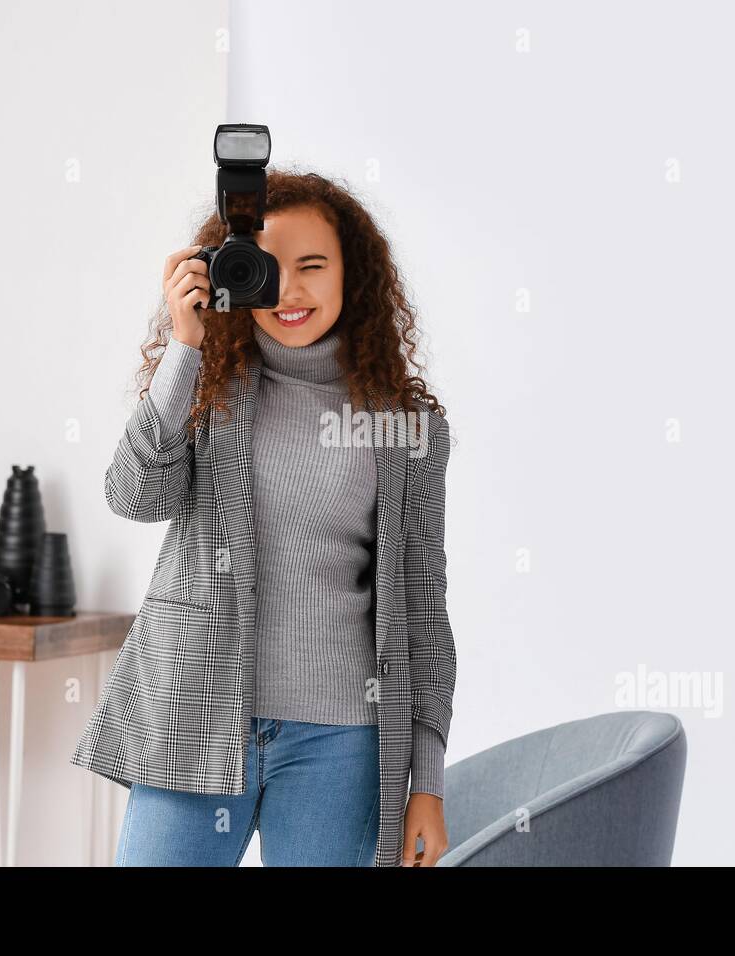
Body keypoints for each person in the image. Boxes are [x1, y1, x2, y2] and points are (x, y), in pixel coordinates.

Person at [71, 169, 457, 867]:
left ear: (353, 275)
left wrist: (426, 782)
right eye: (267, 271)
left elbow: (422, 606)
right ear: (231, 277)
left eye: (313, 266)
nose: (290, 292)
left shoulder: (408, 426)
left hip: (341, 738)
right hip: (197, 712)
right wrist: (186, 348)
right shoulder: (210, 391)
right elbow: (134, 497)